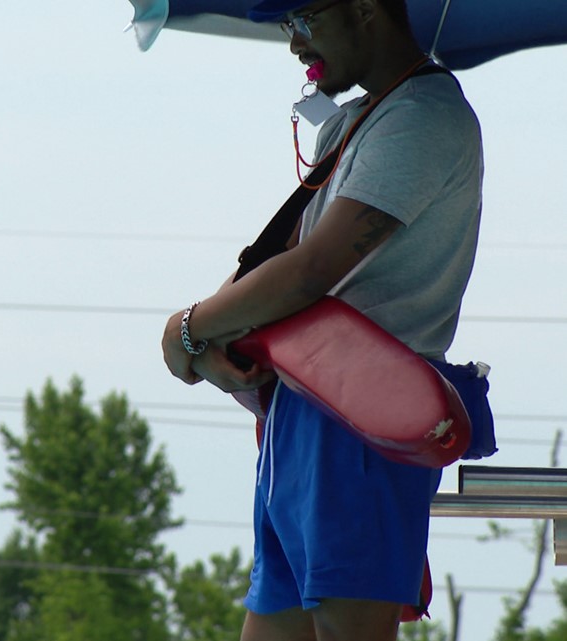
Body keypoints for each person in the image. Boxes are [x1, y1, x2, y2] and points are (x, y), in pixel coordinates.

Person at [159, 0, 484, 639]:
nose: (294, 44)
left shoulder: (422, 116)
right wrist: (206, 334)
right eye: (288, 25)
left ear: (363, 7)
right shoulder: (360, 119)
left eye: (304, 18)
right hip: (304, 410)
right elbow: (281, 256)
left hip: (361, 416)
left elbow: (312, 269)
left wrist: (187, 330)